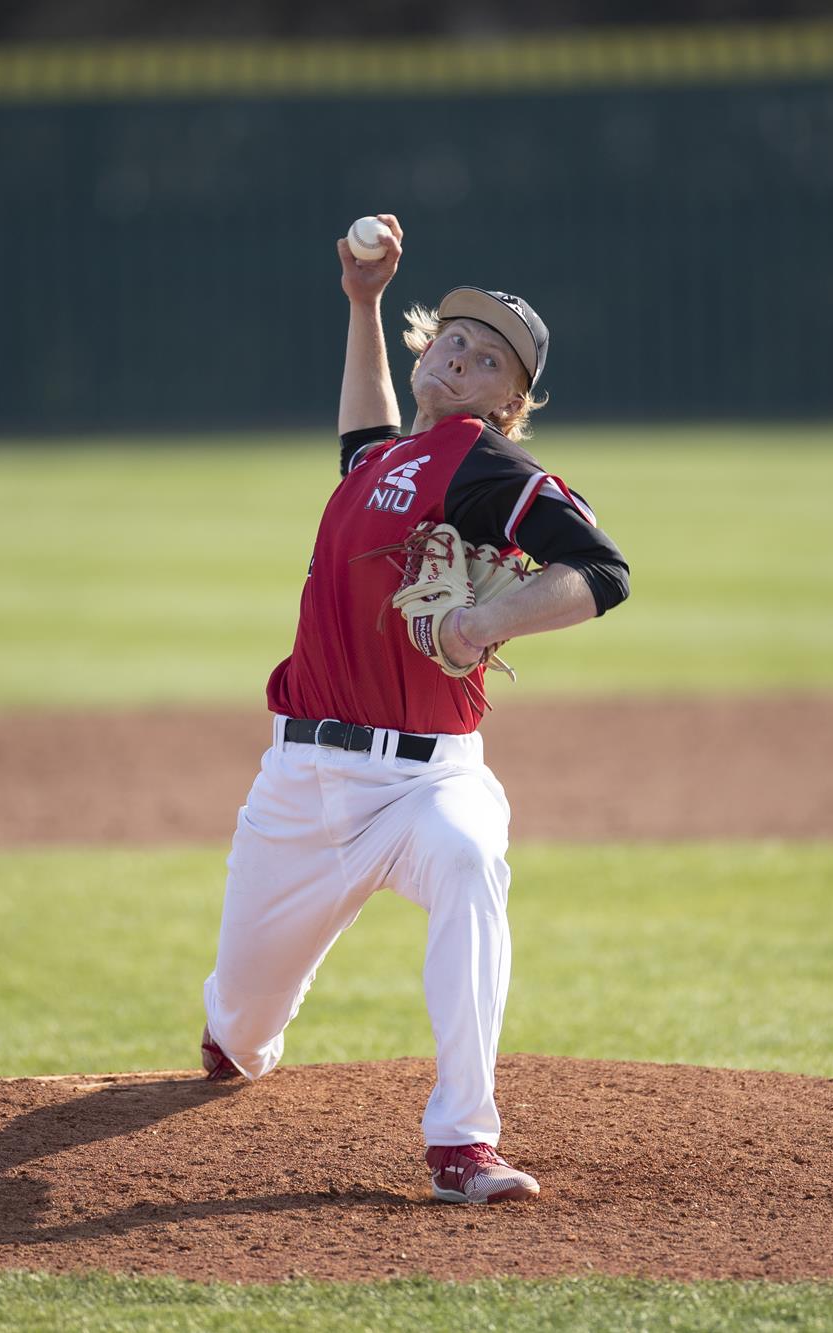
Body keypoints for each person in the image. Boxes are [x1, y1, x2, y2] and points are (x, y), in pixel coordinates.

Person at [198, 214, 631, 1204]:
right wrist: (365, 303)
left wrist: (483, 621)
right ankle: (233, 1030)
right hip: (299, 785)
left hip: (427, 782)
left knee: (470, 859)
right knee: (240, 1036)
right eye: (455, 339)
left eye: (488, 361)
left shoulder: (483, 465)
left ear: (508, 402)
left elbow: (601, 570)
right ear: (426, 347)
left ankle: (462, 1140)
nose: (461, 357)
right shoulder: (383, 464)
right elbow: (362, 435)